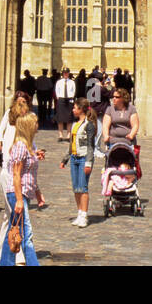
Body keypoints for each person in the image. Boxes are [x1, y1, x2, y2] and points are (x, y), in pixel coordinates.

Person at [1, 112, 41, 266]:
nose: (37, 125)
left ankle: (6, 263)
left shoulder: (29, 146)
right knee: (26, 233)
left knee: (14, 231)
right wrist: (18, 199)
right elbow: (16, 175)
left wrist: (38, 192)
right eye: (36, 122)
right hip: (17, 194)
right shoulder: (20, 146)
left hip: (24, 193)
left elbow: (28, 173)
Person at [0, 92, 47, 209]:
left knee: (10, 215)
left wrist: (33, 153)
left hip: (18, 170)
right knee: (12, 213)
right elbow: (2, 128)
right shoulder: (10, 115)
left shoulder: (28, 120)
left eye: (24, 102)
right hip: (9, 167)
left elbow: (29, 141)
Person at [61, 97, 99, 227]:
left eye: (75, 108)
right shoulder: (75, 124)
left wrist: (88, 163)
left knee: (83, 187)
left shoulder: (89, 125)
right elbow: (72, 144)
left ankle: (84, 215)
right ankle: (79, 212)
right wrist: (65, 159)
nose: (73, 110)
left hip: (83, 158)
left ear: (81, 109)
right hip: (74, 158)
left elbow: (90, 146)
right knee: (76, 188)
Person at [102, 86, 141, 178]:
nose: (114, 99)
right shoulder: (110, 109)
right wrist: (106, 136)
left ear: (123, 98)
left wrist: (131, 135)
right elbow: (105, 124)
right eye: (113, 97)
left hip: (127, 140)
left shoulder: (131, 109)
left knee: (129, 161)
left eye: (116, 97)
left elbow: (135, 125)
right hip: (113, 141)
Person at [54, 68, 76, 141]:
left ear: (68, 73)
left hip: (69, 99)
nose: (65, 74)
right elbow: (57, 91)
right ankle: (60, 135)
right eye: (64, 73)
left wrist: (71, 98)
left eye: (67, 73)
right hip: (61, 99)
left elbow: (73, 91)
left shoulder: (72, 82)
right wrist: (59, 98)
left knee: (69, 118)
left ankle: (68, 135)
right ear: (62, 73)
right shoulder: (59, 82)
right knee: (60, 118)